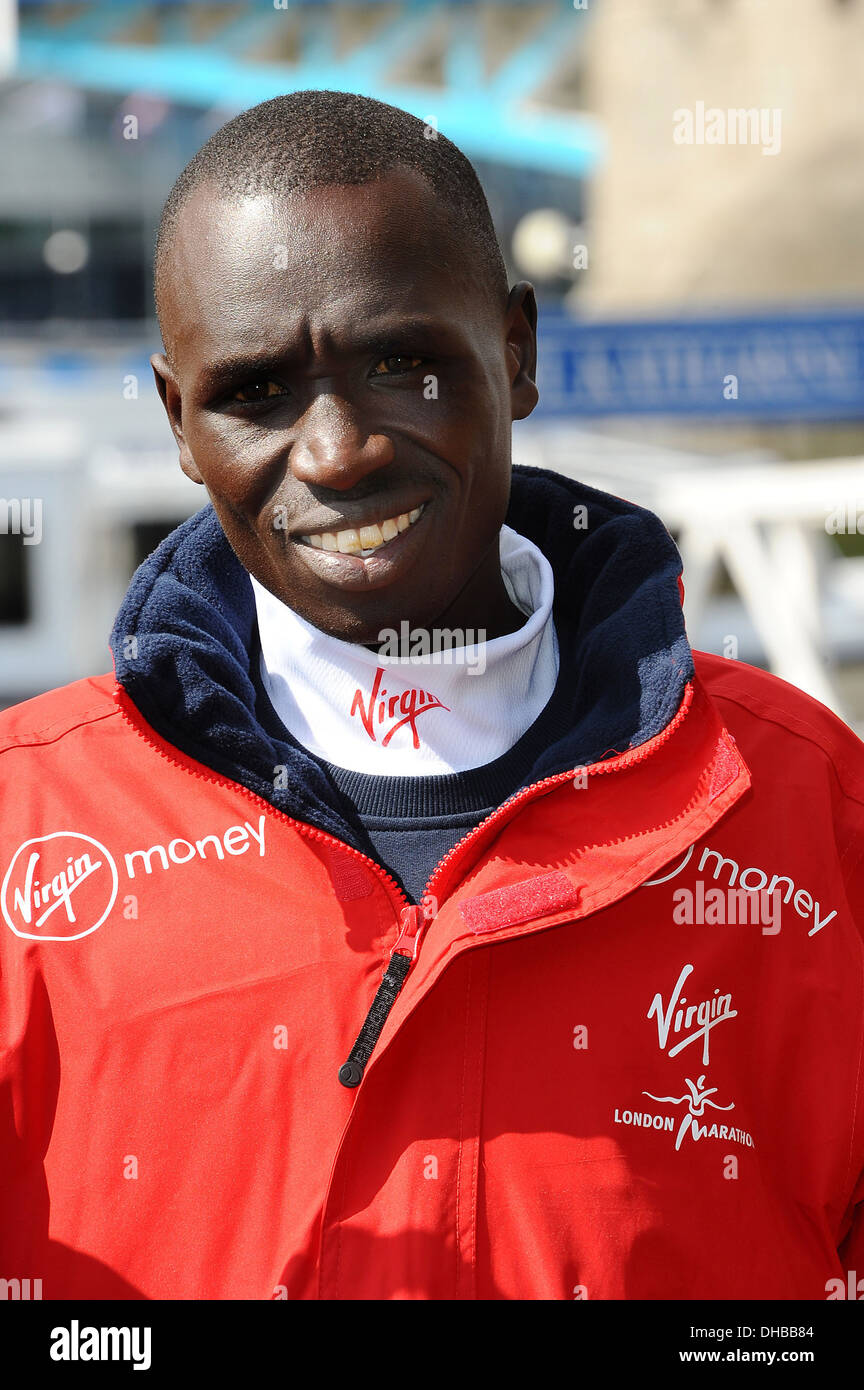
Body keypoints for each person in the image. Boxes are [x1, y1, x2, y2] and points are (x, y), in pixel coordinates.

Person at [1, 89, 863, 1303]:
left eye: (402, 362)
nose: (338, 448)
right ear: (178, 424)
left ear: (515, 352)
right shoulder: (27, 829)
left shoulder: (807, 809)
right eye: (255, 393)